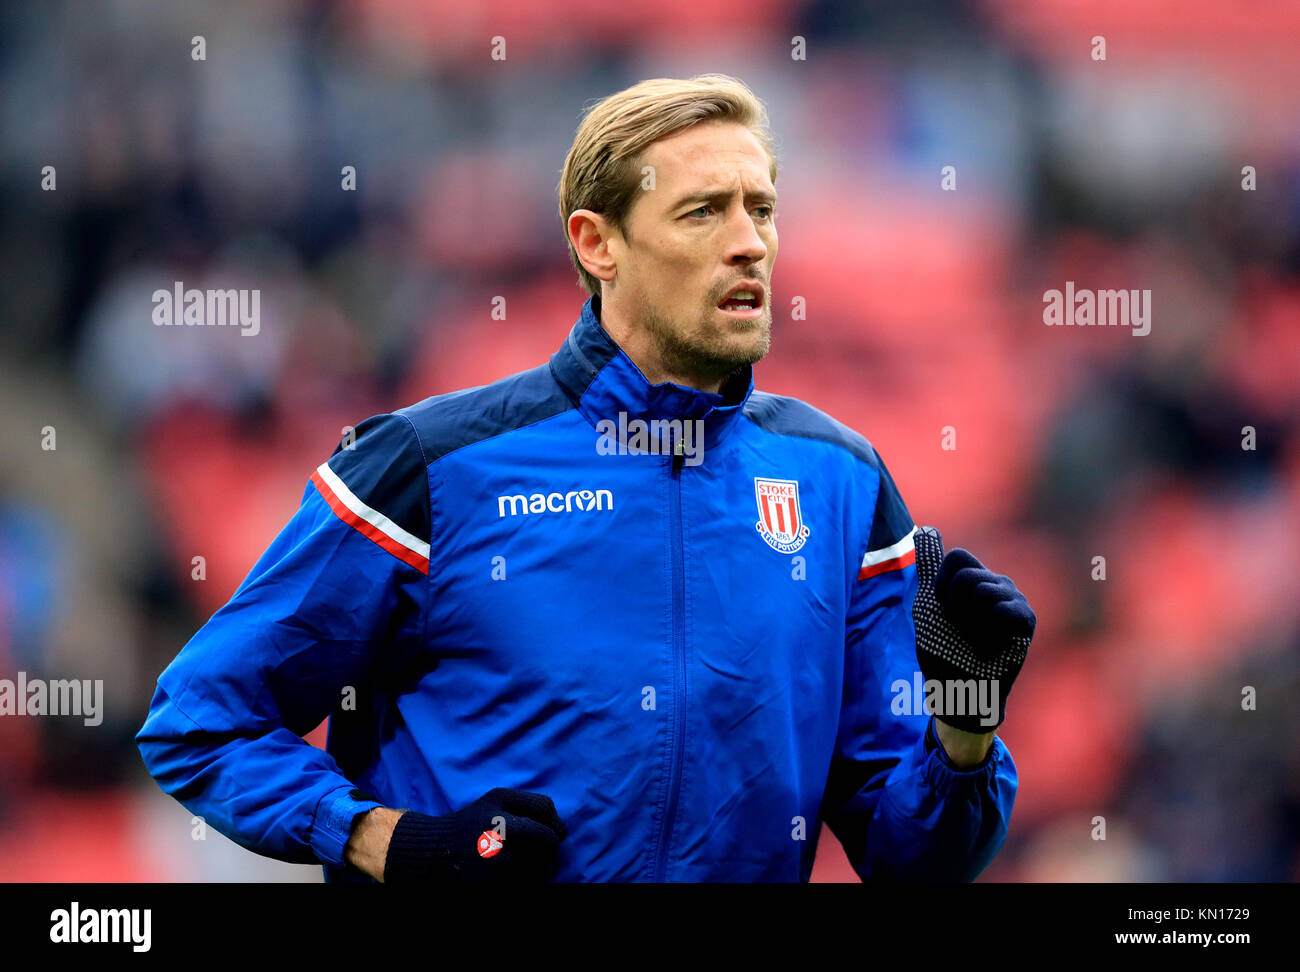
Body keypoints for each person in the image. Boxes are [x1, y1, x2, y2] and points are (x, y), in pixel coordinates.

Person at [136, 74, 1036, 883]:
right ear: (598, 244)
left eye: (761, 210)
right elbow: (200, 723)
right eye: (703, 212)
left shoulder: (840, 483)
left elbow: (912, 858)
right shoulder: (428, 469)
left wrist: (964, 729)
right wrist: (386, 840)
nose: (750, 244)